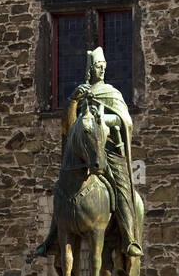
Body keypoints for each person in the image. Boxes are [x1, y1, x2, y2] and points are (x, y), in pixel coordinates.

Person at [34, 47, 142, 259]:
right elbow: (68, 127)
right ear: (90, 70)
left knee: (123, 187)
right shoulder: (81, 94)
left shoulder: (112, 94)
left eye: (103, 67)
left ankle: (130, 238)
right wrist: (73, 101)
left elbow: (126, 122)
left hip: (107, 151)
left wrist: (104, 120)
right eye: (97, 67)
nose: (100, 70)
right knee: (63, 188)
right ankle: (52, 238)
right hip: (82, 153)